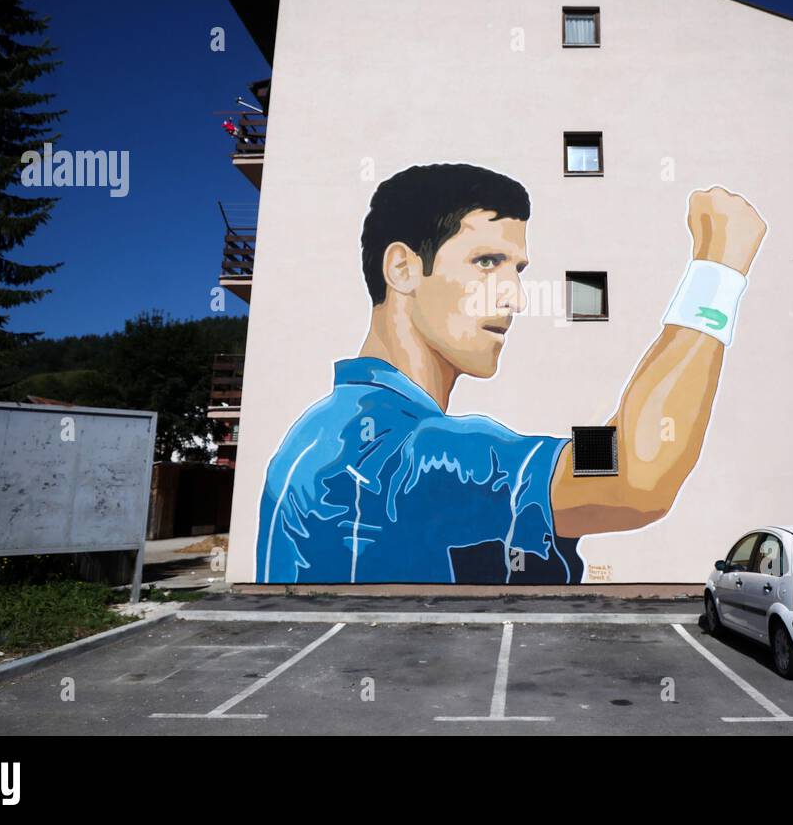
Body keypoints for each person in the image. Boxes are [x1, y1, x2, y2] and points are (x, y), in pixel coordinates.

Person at [256, 163, 766, 583]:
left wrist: (584, 441)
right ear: (403, 269)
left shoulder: (321, 428)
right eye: (486, 262)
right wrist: (717, 267)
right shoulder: (408, 451)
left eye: (516, 271)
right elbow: (634, 473)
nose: (515, 298)